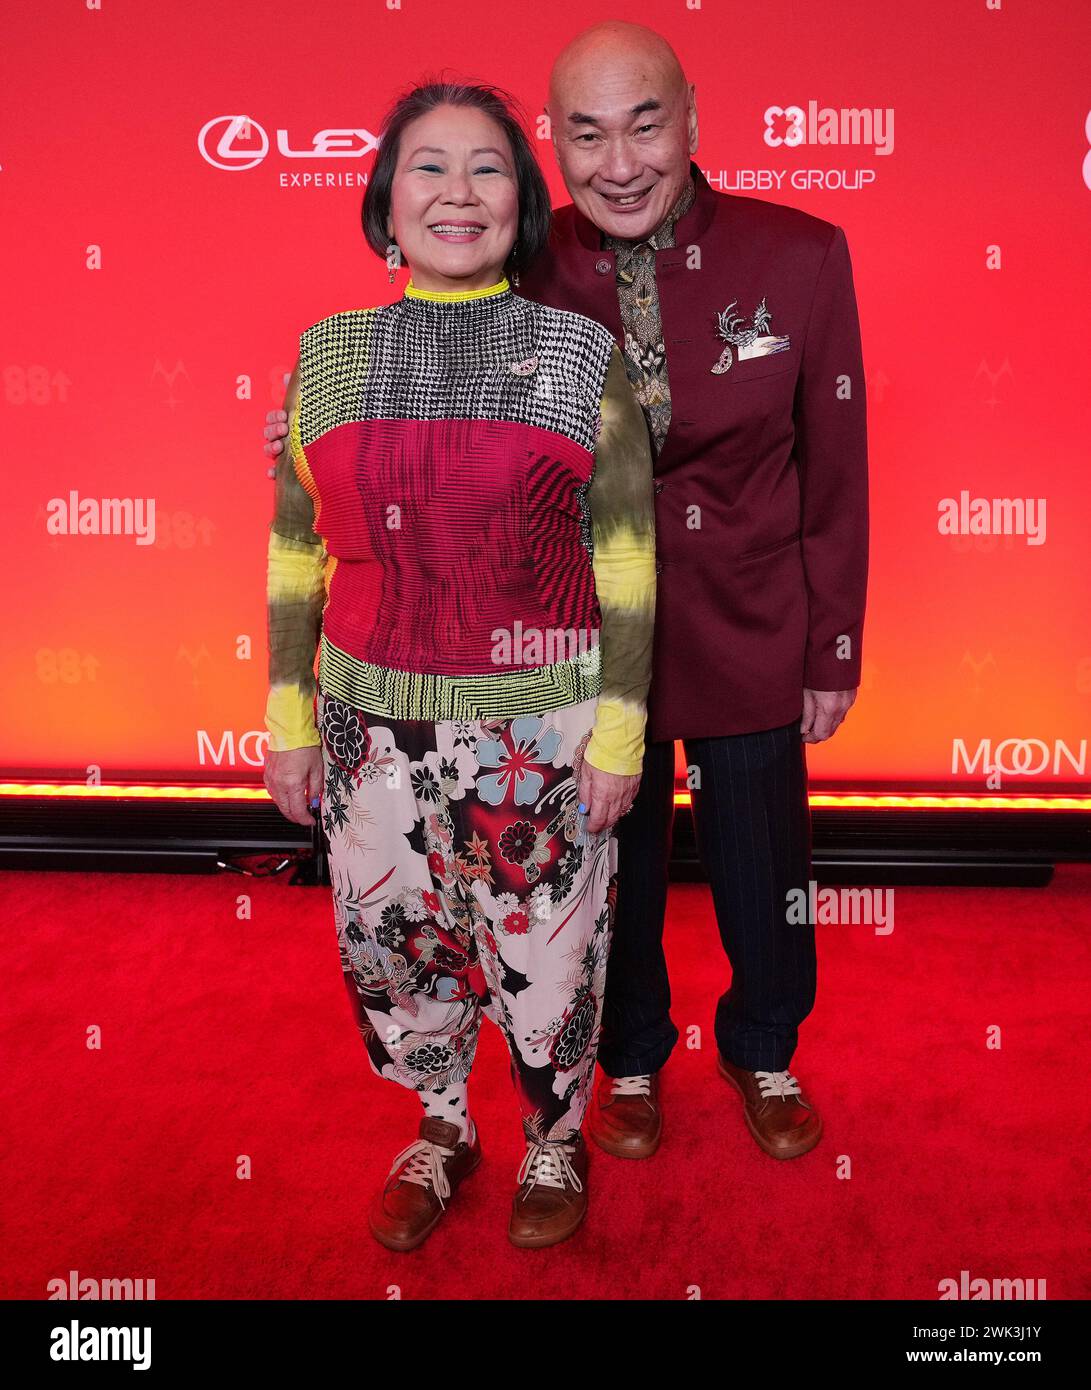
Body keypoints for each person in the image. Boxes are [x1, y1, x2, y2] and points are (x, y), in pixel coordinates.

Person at [267, 21, 869, 1172]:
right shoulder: (520, 263)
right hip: (577, 643)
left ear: (691, 113)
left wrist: (829, 644)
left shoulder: (801, 253)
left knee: (761, 859)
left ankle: (763, 1046)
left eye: (645, 124)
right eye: (586, 136)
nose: (621, 161)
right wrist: (295, 432)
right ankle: (629, 1057)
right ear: (555, 146)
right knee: (610, 870)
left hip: (749, 619)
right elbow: (419, 389)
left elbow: (834, 462)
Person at [262, 79, 657, 1251]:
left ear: (522, 207)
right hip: (364, 732)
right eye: (426, 166)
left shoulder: (582, 353)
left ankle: (552, 1131)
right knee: (397, 950)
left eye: (487, 168)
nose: (456, 191)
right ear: (387, 201)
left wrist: (621, 733)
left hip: (540, 737)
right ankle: (441, 1124)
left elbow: (627, 561)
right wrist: (288, 719)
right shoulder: (325, 355)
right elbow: (295, 553)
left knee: (547, 960)